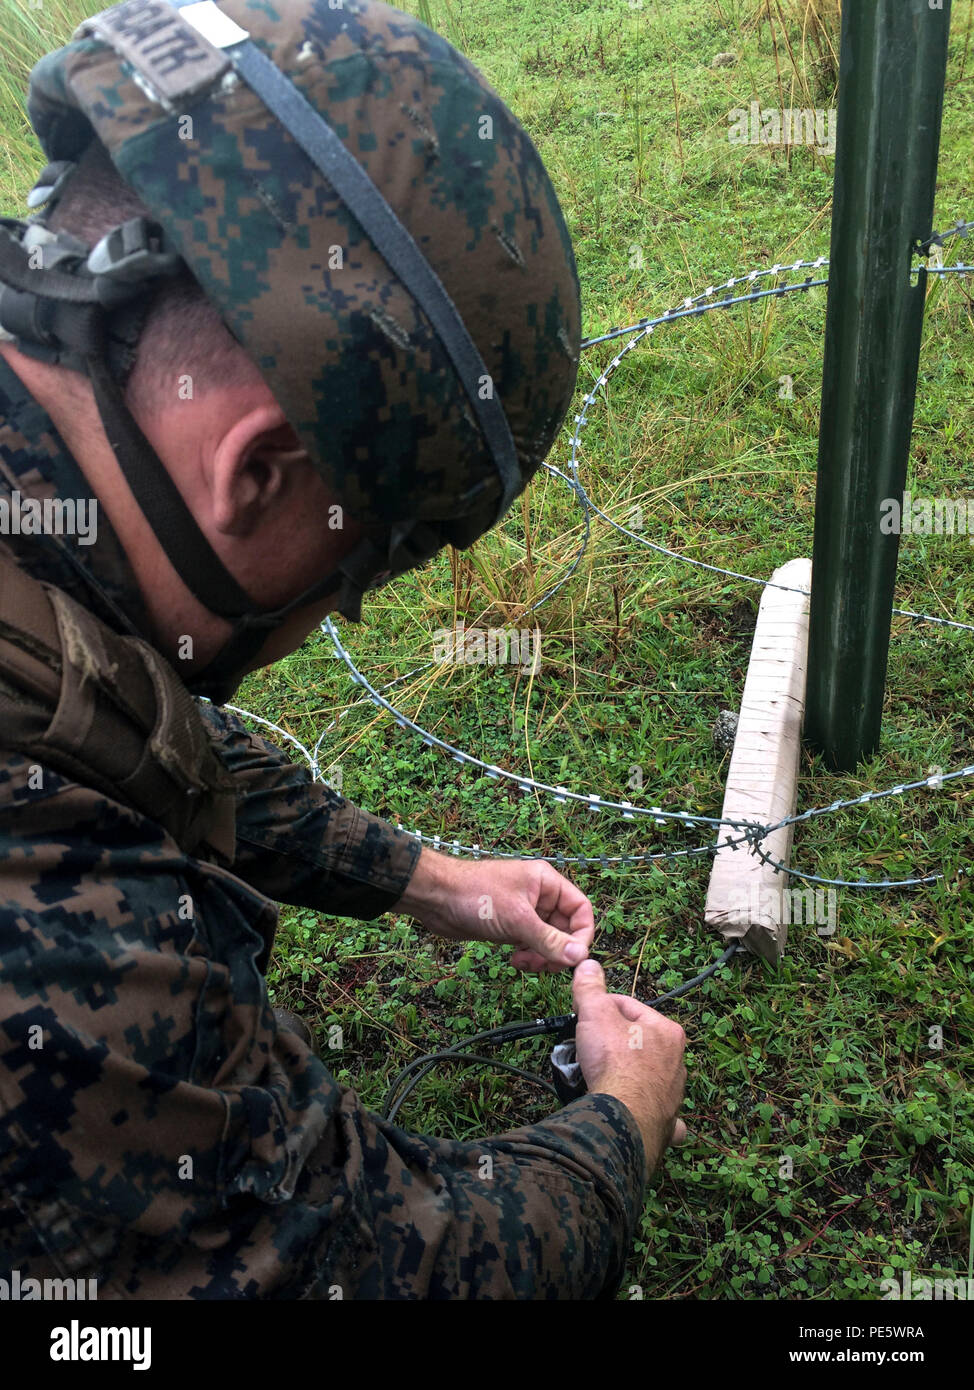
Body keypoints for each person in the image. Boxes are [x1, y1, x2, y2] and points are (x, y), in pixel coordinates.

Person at [0, 0, 686, 1299]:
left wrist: (423, 877)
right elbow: (354, 1271)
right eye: (369, 564)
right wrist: (622, 1124)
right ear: (260, 470)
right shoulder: (45, 916)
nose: (342, 617)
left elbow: (96, 702)